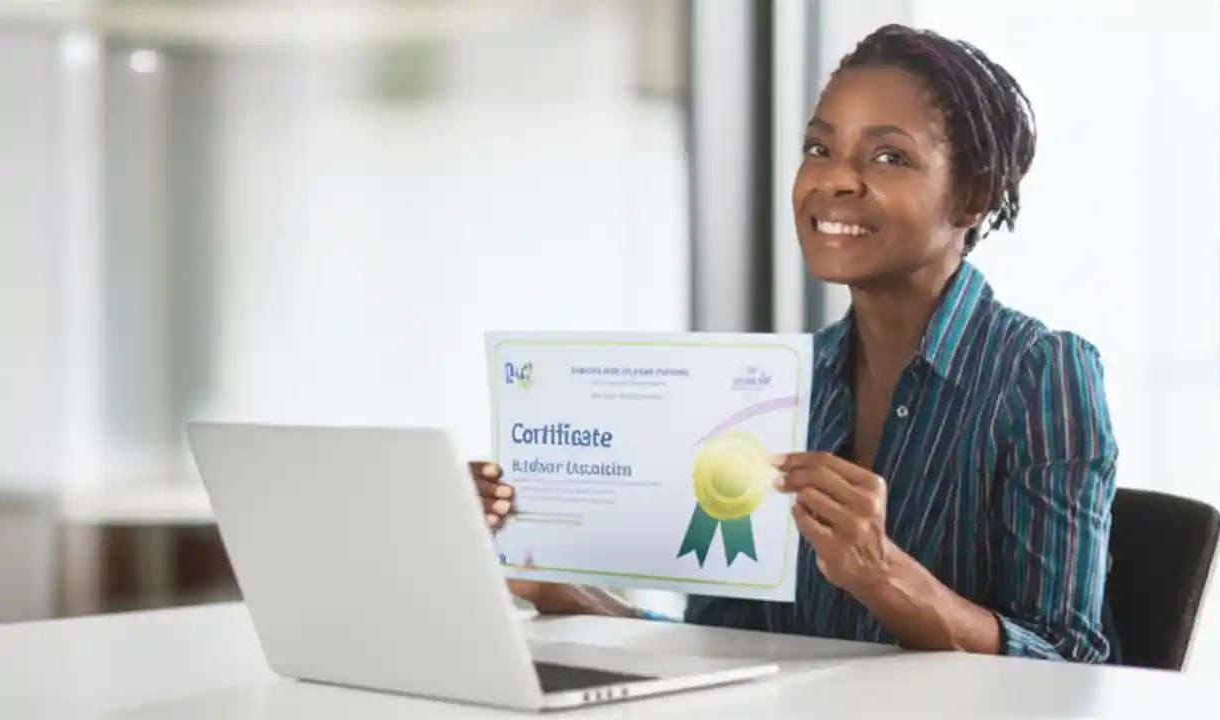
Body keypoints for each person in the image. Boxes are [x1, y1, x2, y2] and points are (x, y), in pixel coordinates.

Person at [471, 23, 1118, 663]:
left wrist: (882, 575)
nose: (834, 181)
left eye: (888, 157)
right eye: (818, 149)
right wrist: (563, 589)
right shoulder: (779, 388)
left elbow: (1072, 664)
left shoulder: (1042, 373)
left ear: (973, 196)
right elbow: (725, 646)